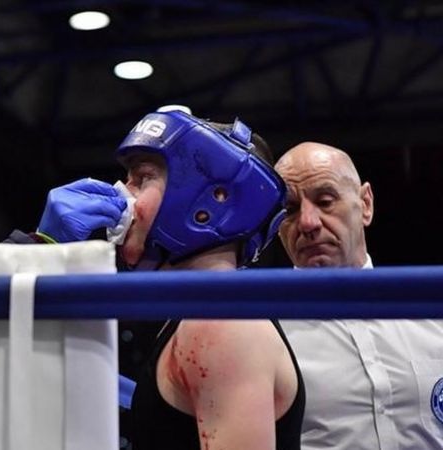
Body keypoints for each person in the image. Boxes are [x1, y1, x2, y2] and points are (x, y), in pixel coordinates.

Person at [37, 107, 304, 450]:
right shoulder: (195, 315)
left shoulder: (221, 326)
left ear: (213, 199)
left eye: (142, 178)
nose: (121, 195)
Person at [276, 142, 443, 450]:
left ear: (365, 204)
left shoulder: (431, 307)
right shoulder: (264, 337)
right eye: (289, 209)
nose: (308, 223)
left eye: (325, 201)